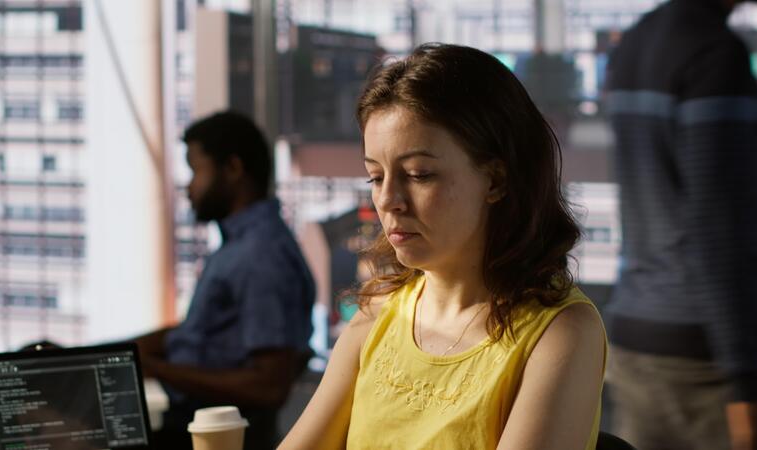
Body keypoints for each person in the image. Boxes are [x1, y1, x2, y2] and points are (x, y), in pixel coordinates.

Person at [279, 43, 606, 449]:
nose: (388, 200)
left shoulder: (559, 333)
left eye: (419, 174)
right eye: (375, 177)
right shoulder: (377, 314)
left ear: (495, 180)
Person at [605, 0, 757, 449]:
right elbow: (718, 228)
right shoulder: (715, 56)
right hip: (708, 364)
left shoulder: (636, 42)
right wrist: (746, 383)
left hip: (638, 345)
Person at [134, 111, 316, 450]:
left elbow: (268, 385)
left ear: (232, 169)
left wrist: (154, 368)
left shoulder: (260, 255)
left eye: (195, 169)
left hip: (212, 436)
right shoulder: (242, 246)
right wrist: (116, 357)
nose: (189, 186)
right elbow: (201, 335)